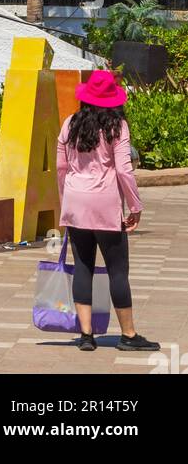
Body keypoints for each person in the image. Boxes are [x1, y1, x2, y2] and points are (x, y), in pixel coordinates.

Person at [56, 69, 160, 353]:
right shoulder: (117, 126)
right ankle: (128, 335)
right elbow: (124, 170)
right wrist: (135, 206)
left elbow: (61, 168)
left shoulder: (70, 124)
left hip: (76, 202)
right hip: (105, 204)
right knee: (117, 270)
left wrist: (66, 202)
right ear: (113, 100)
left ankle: (86, 335)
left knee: (83, 267)